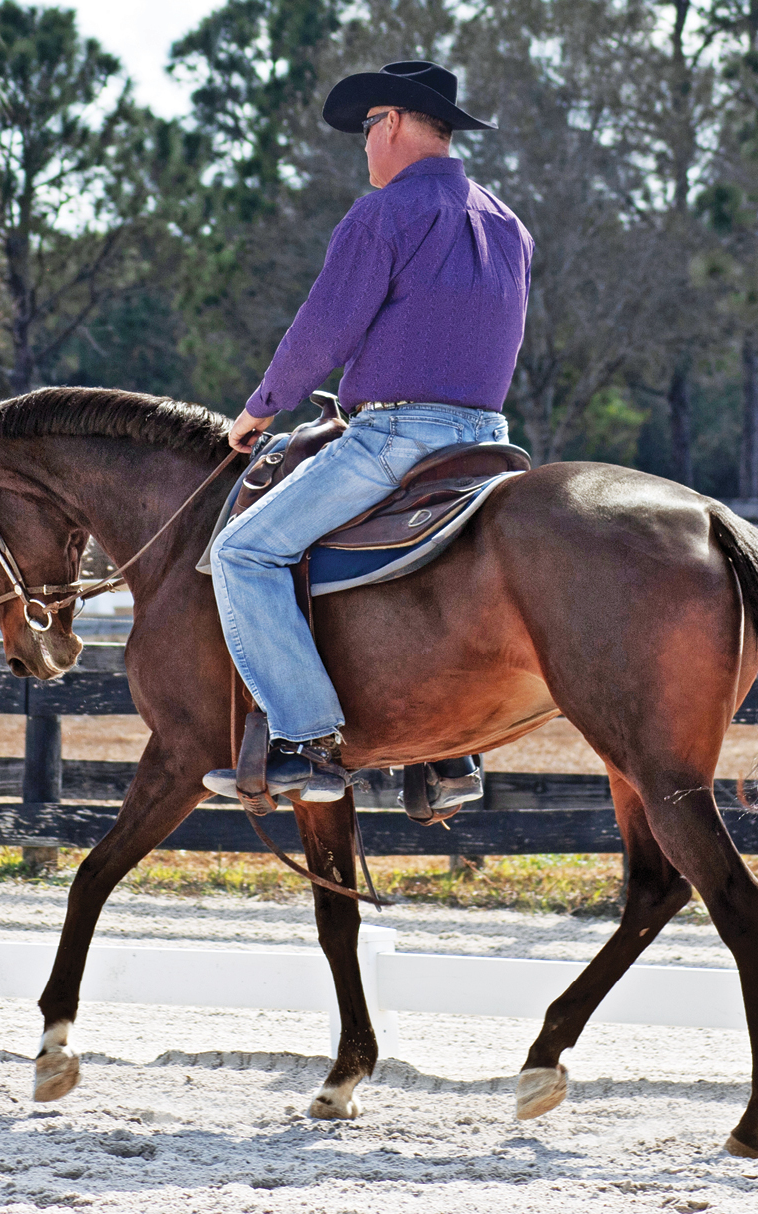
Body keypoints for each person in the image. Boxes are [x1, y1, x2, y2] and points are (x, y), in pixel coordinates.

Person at [203, 61, 533, 802]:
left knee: (244, 551)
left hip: (396, 438)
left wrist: (261, 408)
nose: (364, 150)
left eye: (364, 133)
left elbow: (323, 331)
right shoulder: (508, 223)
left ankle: (308, 741)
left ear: (389, 124)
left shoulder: (383, 214)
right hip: (488, 443)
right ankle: (449, 754)